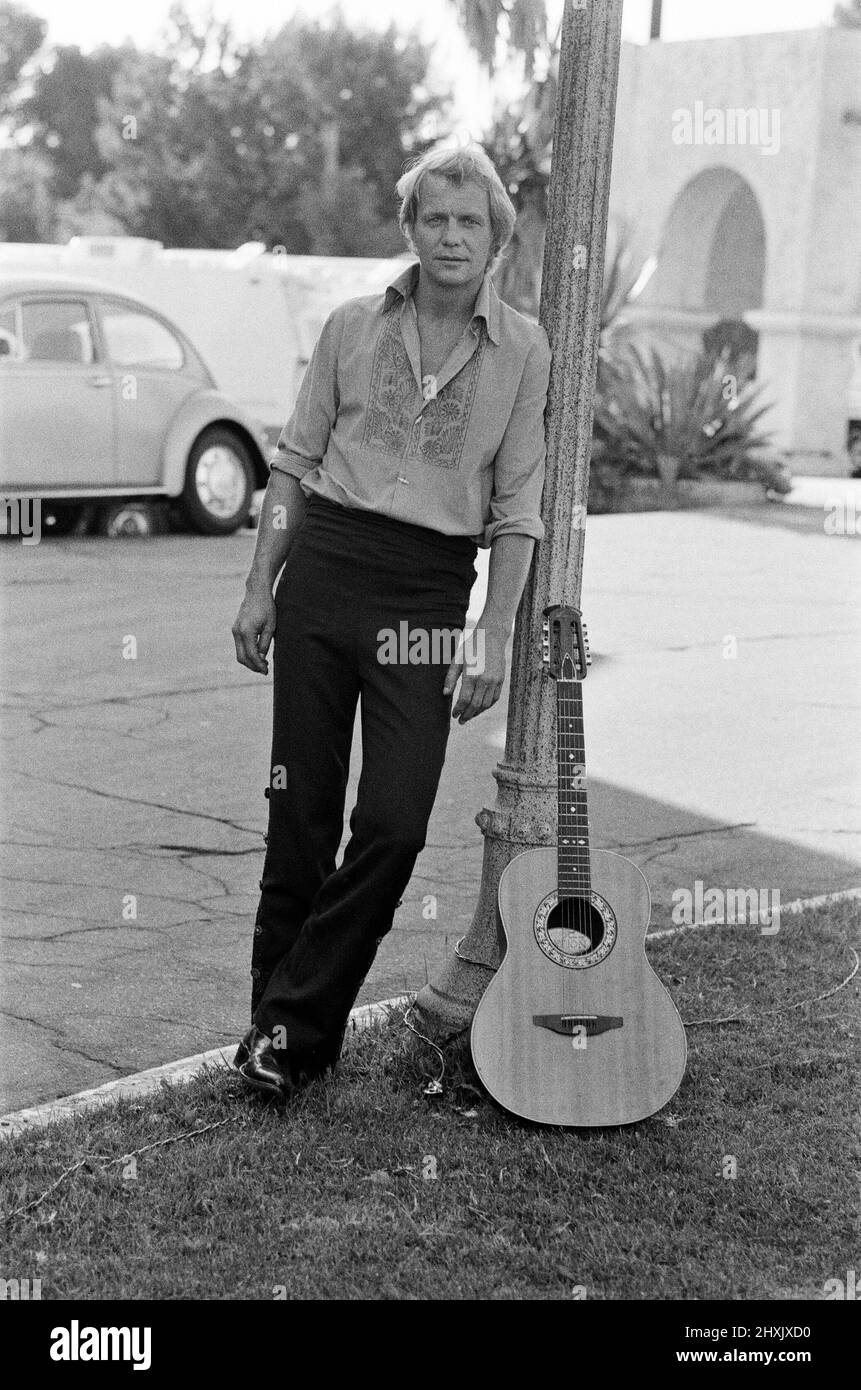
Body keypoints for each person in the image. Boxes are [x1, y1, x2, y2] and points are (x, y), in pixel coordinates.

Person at [230, 140, 552, 1099]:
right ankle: (279, 1040)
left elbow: (520, 510)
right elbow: (291, 464)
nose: (453, 236)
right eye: (436, 219)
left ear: (495, 239)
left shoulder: (525, 350)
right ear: (410, 230)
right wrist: (259, 588)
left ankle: (290, 1022)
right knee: (300, 820)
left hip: (425, 595)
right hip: (325, 573)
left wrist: (494, 631)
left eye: (472, 222)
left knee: (395, 822)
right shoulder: (348, 326)